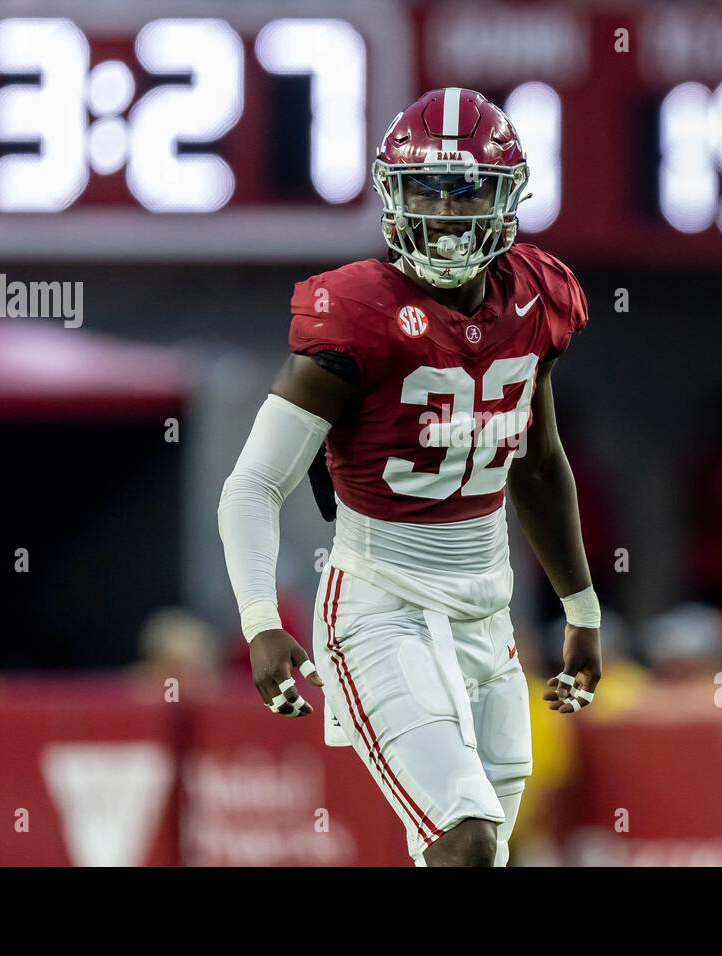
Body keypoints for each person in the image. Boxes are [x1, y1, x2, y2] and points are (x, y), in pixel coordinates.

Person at [217, 89, 602, 867]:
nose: (449, 212)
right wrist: (260, 619)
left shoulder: (539, 297)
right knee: (463, 837)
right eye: (429, 188)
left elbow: (537, 459)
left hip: (487, 613)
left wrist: (582, 606)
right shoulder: (358, 313)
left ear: (510, 196)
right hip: (379, 606)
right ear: (394, 195)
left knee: (480, 850)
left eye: (470, 191)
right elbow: (254, 483)